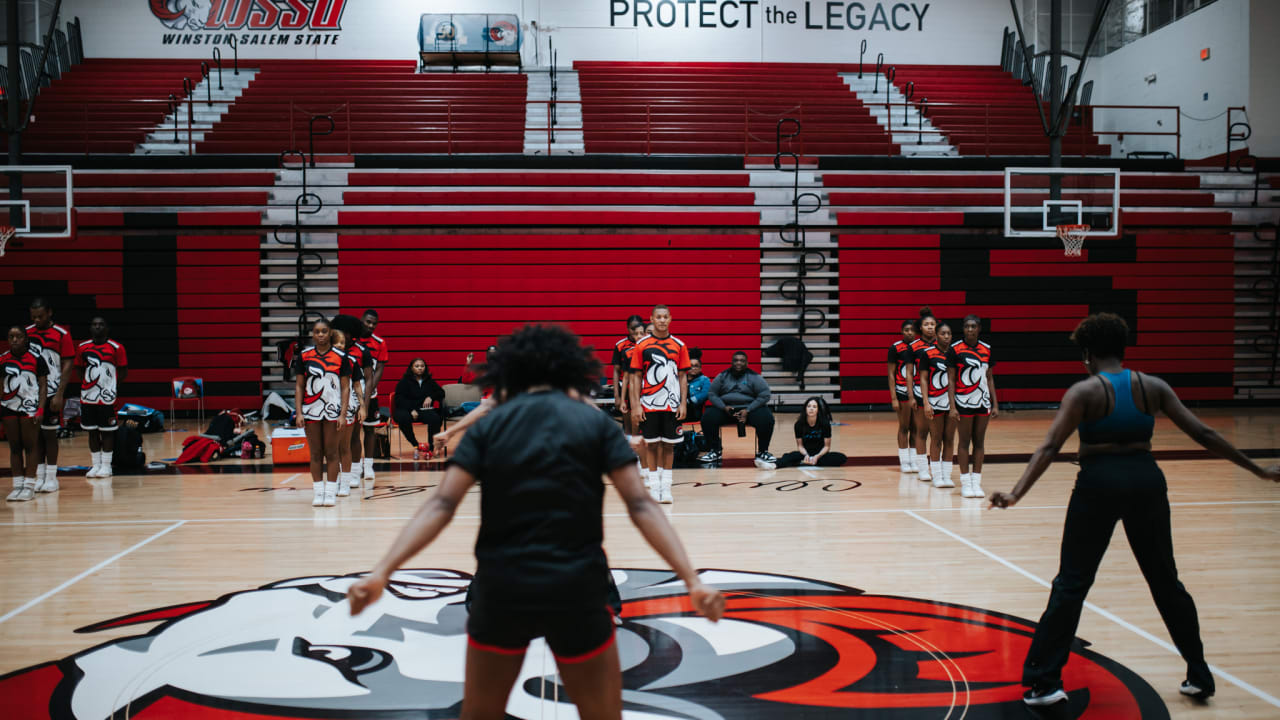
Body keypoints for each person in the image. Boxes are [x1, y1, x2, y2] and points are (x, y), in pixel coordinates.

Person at [346, 324, 725, 720]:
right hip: (577, 588)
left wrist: (382, 571)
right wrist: (691, 580)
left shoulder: (490, 425)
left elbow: (441, 504)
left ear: (510, 371)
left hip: (503, 586)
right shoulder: (594, 423)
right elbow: (642, 506)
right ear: (571, 370)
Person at [989, 312, 1280, 707]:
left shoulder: (1083, 392)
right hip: (1146, 481)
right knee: (1166, 581)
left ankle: (1045, 683)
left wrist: (1016, 494)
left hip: (1098, 484)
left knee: (1072, 583)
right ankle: (1200, 674)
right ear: (1122, 349)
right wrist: (1257, 469)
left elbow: (1050, 446)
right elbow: (1204, 433)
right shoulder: (1153, 386)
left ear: (1088, 354)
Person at [629, 305, 691, 503]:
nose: (662, 320)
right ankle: (655, 488)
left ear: (670, 319)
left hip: (672, 405)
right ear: (652, 319)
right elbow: (636, 377)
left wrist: (683, 403)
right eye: (659, 317)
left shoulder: (679, 345)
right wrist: (636, 405)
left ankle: (667, 488)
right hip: (649, 403)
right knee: (651, 445)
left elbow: (682, 377)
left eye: (665, 317)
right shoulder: (642, 345)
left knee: (669, 446)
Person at [293, 317, 351, 508]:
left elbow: (345, 387)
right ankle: (318, 492)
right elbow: (299, 386)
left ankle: (330, 492)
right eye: (317, 331)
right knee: (316, 453)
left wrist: (343, 414)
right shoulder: (304, 356)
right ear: (312, 334)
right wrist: (299, 412)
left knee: (332, 452)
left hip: (333, 410)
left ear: (330, 333)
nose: (320, 335)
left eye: (324, 331)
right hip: (311, 410)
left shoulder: (341, 356)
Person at [26, 297, 75, 493]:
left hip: (52, 390)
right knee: (35, 436)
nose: (37, 320)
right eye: (33, 317)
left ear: (49, 313)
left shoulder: (61, 334)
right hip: (32, 392)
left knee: (49, 434)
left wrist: (59, 394)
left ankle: (52, 477)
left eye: (40, 316)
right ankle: (40, 475)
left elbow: (68, 363)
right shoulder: (27, 333)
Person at [700, 351, 777, 470]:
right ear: (731, 362)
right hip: (727, 408)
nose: (738, 363)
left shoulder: (754, 377)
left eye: (742, 360)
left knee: (766, 418)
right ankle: (715, 450)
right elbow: (712, 393)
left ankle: (763, 451)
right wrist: (723, 407)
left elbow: (765, 395)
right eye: (736, 360)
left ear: (747, 363)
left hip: (749, 409)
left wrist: (748, 409)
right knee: (708, 418)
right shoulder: (722, 376)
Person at [75, 317, 128, 480]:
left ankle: (106, 466)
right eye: (94, 324)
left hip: (107, 398)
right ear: (90, 328)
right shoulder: (82, 347)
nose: (97, 327)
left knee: (107, 431)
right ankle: (96, 465)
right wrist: (89, 386)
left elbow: (123, 371)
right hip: (88, 397)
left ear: (107, 328)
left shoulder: (116, 348)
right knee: (92, 431)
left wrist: (110, 387)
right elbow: (79, 370)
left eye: (101, 324)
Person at [952, 314, 998, 499]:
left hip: (983, 402)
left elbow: (989, 378)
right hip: (963, 401)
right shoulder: (955, 349)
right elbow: (950, 379)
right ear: (963, 329)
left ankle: (976, 482)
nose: (970, 329)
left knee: (979, 442)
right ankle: (965, 483)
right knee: (964, 442)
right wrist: (952, 406)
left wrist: (995, 403)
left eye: (973, 326)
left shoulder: (987, 349)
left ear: (979, 328)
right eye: (967, 326)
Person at [3, 326, 49, 502]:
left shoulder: (36, 359)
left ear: (26, 339)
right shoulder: (3, 359)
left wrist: (41, 409)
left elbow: (43, 386)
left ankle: (29, 486)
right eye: (11, 336)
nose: (15, 340)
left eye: (19, 336)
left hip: (30, 407)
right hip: (8, 406)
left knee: (30, 446)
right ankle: (17, 486)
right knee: (14, 447)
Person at [329, 326, 367, 497]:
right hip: (327, 406)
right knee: (332, 448)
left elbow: (357, 385)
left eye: (343, 343)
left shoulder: (351, 361)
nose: (340, 346)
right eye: (336, 343)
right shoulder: (321, 362)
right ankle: (334, 480)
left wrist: (362, 406)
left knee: (345, 445)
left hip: (348, 405)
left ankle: (345, 482)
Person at [920, 321, 959, 488]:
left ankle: (947, 475)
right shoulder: (928, 354)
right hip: (935, 402)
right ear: (936, 335)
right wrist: (926, 402)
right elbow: (923, 379)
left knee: (949, 438)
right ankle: (936, 476)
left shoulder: (956, 353)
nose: (946, 336)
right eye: (943, 333)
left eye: (949, 333)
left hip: (952, 403)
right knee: (936, 438)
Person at [358, 309, 389, 482]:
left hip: (370, 394)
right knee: (352, 432)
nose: (370, 325)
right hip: (351, 394)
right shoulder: (351, 340)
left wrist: (367, 392)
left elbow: (379, 370)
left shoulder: (380, 343)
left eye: (374, 323)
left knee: (370, 430)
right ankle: (354, 467)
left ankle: (368, 466)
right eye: (368, 322)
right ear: (361, 320)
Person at [393, 358, 445, 459]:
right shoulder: (404, 381)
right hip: (407, 409)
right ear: (411, 368)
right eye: (417, 366)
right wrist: (411, 409)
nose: (420, 368)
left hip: (423, 409)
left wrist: (431, 397)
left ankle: (432, 447)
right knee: (402, 418)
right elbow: (399, 399)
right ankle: (416, 444)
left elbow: (441, 392)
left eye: (422, 366)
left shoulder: (429, 381)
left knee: (435, 418)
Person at [776, 397, 847, 468]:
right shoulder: (799, 424)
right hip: (805, 453)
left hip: (820, 454)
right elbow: (800, 446)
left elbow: (826, 446)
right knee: (789, 456)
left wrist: (817, 456)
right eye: (809, 406)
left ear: (818, 410)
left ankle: (806, 462)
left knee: (841, 457)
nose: (811, 409)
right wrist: (806, 455)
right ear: (805, 409)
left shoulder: (825, 424)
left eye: (814, 407)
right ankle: (776, 465)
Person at [910, 307, 938, 480]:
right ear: (920, 327)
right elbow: (908, 373)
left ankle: (937, 469)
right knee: (922, 431)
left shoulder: (944, 345)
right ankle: (922, 468)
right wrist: (911, 396)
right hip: (920, 392)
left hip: (940, 395)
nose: (929, 327)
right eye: (926, 324)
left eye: (932, 324)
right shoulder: (914, 347)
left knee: (938, 434)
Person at [887, 319, 917, 473]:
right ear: (902, 331)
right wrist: (894, 398)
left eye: (912, 330)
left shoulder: (920, 347)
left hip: (917, 392)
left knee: (916, 427)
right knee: (904, 426)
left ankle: (914, 460)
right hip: (902, 391)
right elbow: (891, 374)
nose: (909, 332)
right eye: (906, 330)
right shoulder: (896, 348)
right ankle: (904, 461)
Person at [612, 315, 645, 442]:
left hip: (645, 390)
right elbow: (616, 372)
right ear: (627, 328)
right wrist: (617, 397)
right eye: (632, 329)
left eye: (638, 329)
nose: (635, 332)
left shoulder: (647, 345)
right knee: (629, 426)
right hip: (627, 389)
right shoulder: (621, 345)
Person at [685, 348, 710, 424]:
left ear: (700, 368)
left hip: (696, 410)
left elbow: (706, 393)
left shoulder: (704, 380)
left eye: (696, 366)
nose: (693, 368)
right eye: (691, 366)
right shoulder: (681, 379)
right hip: (682, 409)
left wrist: (690, 400)